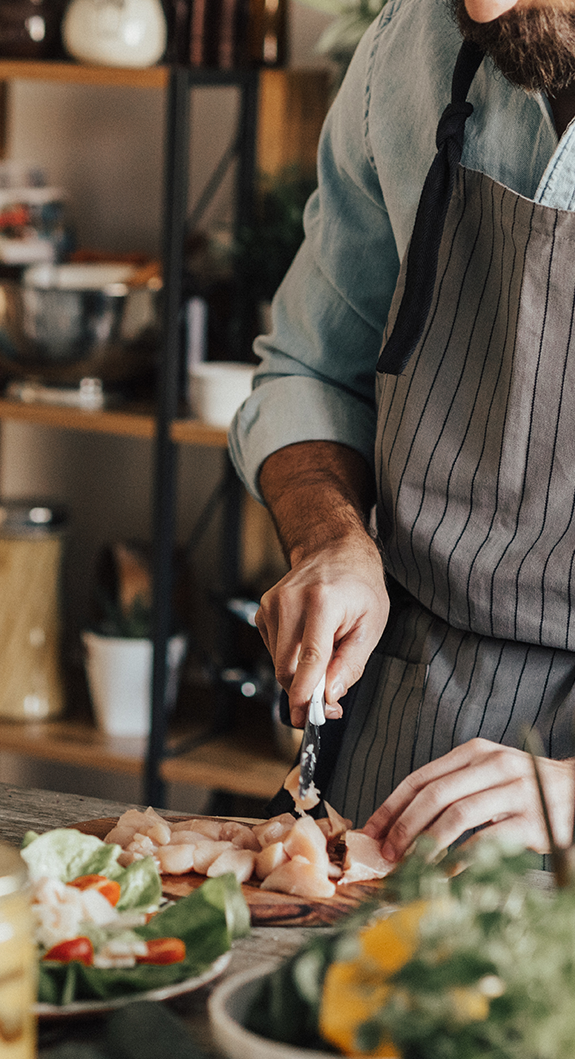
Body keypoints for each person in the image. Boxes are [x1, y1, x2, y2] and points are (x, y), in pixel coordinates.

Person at [228, 0, 575, 861]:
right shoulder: (415, 45)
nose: (483, 7)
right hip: (398, 758)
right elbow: (310, 371)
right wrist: (332, 539)